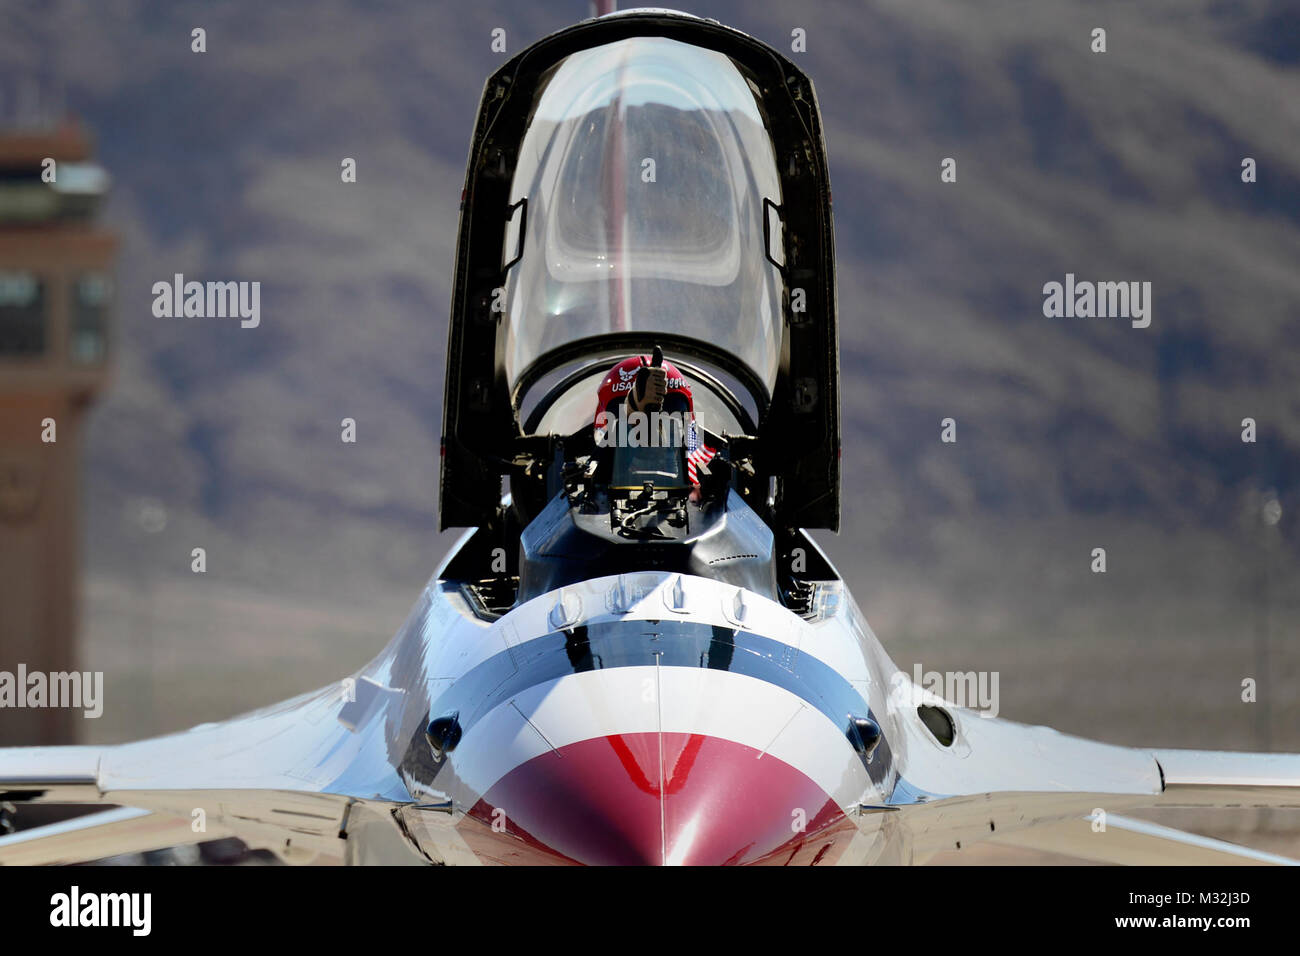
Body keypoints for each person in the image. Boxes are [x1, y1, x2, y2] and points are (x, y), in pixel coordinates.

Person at [593, 349, 718, 492]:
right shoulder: (589, 474)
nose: (654, 439)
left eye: (671, 421)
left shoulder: (707, 481)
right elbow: (602, 468)